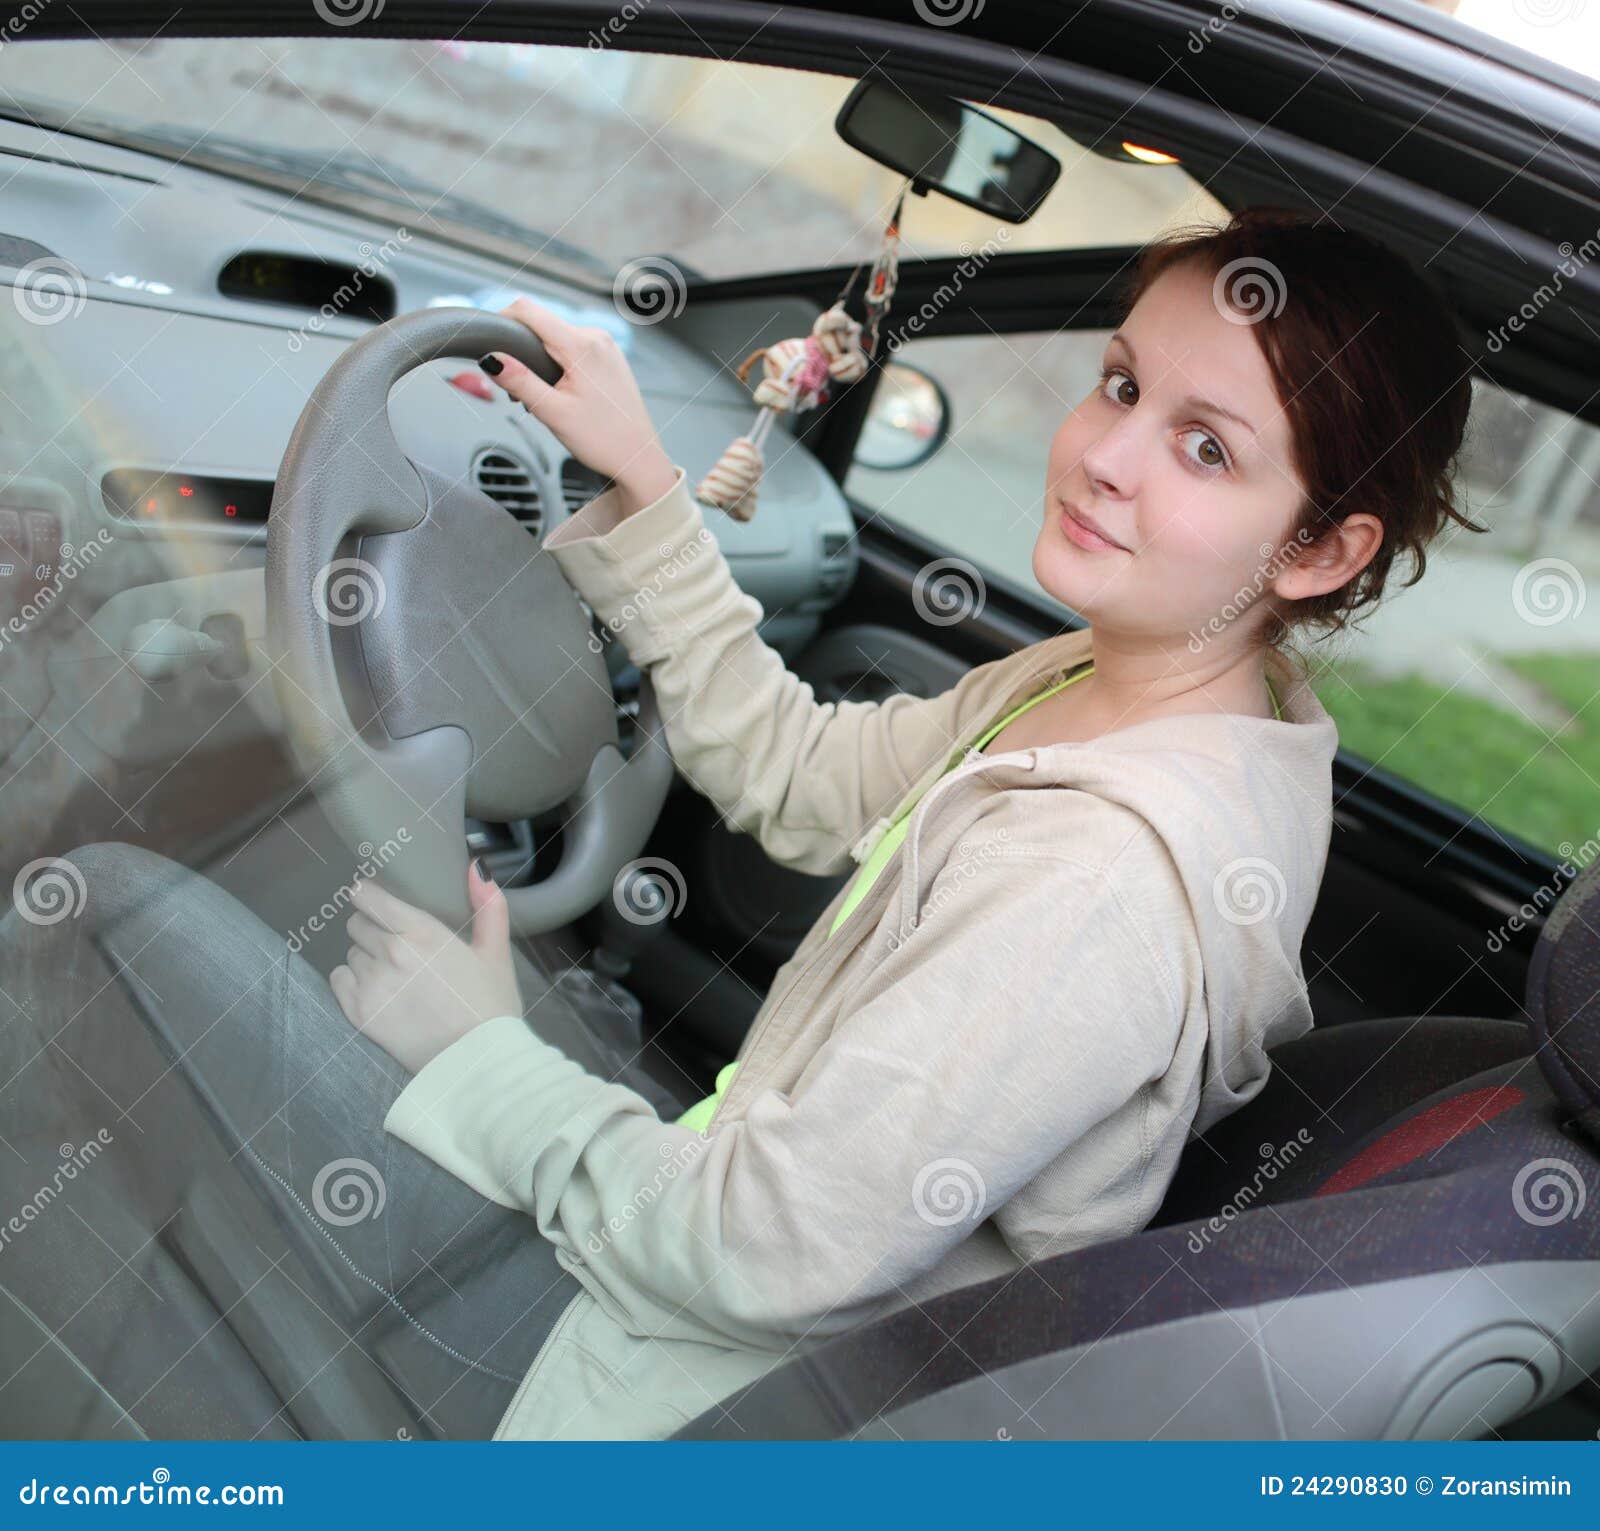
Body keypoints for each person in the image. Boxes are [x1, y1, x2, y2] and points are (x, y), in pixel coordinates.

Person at [0, 205, 1480, 1441]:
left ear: (1319, 549)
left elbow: (760, 1248)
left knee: (99, 912)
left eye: (1207, 448)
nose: (1107, 452)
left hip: (659, 1399)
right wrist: (649, 488)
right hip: (720, 1281)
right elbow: (802, 773)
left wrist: (481, 1054)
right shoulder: (1139, 691)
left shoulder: (1100, 875)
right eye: (1120, 384)